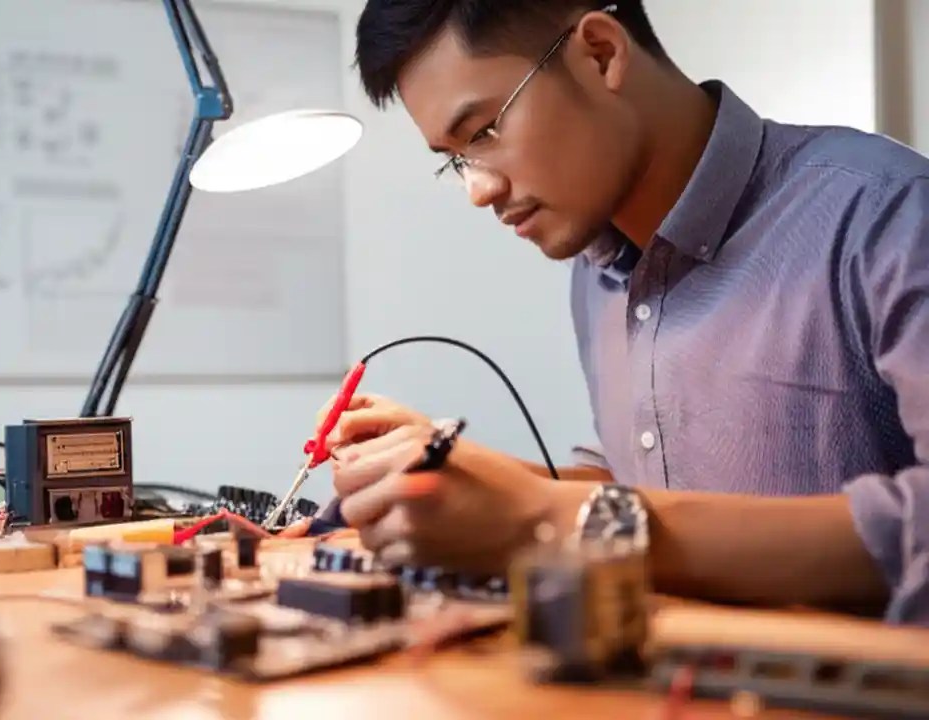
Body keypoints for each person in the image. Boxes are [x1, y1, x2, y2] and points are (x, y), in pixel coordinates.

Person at [318, 0, 929, 623]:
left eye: (483, 133)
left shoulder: (889, 215)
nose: (479, 190)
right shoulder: (599, 267)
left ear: (601, 53)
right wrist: (455, 474)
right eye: (455, 159)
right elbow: (646, 479)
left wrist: (541, 517)